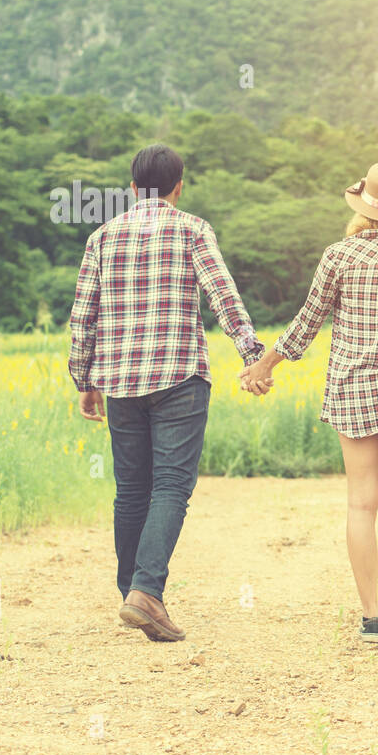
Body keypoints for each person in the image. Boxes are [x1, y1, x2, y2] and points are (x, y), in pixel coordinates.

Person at [239, 161, 378, 653]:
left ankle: (371, 618)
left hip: (355, 393)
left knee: (362, 503)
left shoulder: (339, 256)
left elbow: (307, 322)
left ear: (365, 207)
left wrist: (265, 364)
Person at [69, 144, 266, 642]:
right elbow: (222, 294)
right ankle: (146, 593)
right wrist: (252, 355)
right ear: (179, 187)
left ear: (132, 189)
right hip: (179, 377)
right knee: (171, 487)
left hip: (118, 382)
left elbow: (83, 317)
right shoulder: (191, 228)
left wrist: (84, 380)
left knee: (131, 490)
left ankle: (133, 592)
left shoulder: (102, 236)